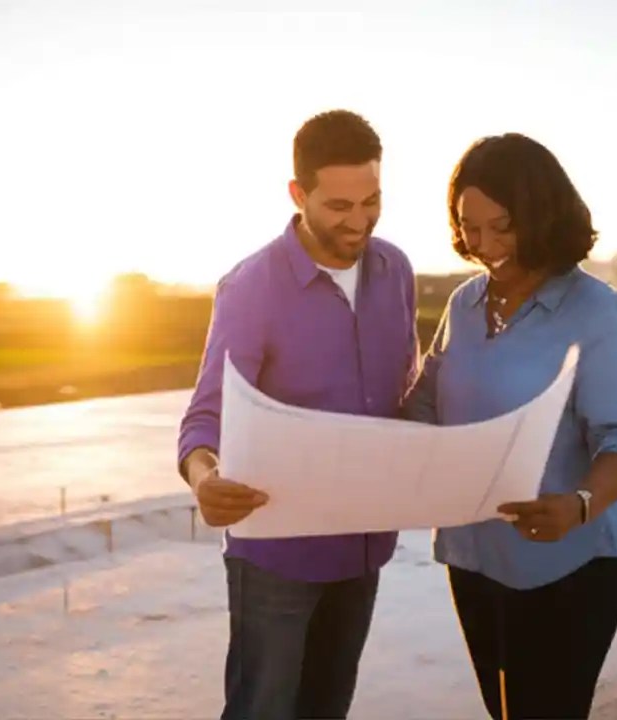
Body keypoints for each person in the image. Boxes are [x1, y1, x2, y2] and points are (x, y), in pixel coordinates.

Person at [402, 133, 617, 719]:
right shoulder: (463, 307)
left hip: (571, 565)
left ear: (541, 216)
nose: (484, 244)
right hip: (475, 558)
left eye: (503, 225)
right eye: (470, 226)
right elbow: (424, 407)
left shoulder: (596, 311)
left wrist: (579, 504)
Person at [176, 109, 419, 720]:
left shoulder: (397, 272)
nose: (359, 220)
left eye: (372, 201)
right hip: (276, 555)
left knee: (327, 709)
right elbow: (205, 417)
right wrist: (204, 479)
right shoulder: (251, 286)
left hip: (363, 545)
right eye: (339, 206)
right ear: (298, 194)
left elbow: (406, 393)